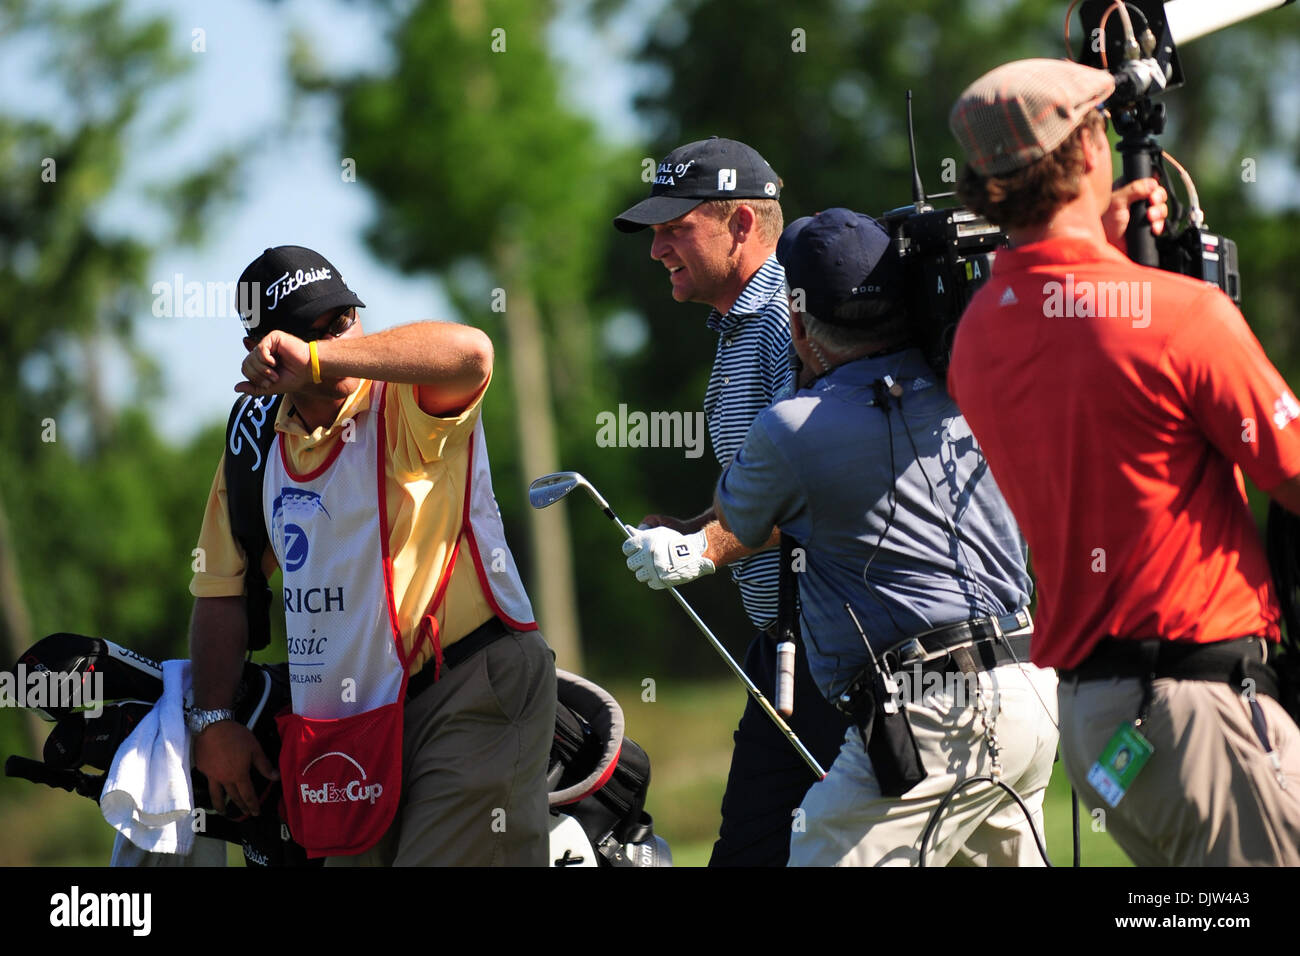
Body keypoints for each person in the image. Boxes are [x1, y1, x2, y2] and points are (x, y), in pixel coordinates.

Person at [947, 58, 1300, 865]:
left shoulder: (976, 333)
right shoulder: (1183, 315)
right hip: (1196, 712)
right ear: (1085, 153)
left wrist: (1105, 252)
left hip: (1099, 724)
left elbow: (1075, 341)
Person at [709, 207, 1058, 866]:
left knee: (813, 847)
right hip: (1031, 694)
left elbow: (740, 520)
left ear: (800, 325)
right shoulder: (975, 389)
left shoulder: (793, 427)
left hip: (934, 713)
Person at [188, 245, 556, 866]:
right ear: (262, 351)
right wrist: (214, 720)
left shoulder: (402, 398)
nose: (330, 342)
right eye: (307, 334)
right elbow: (222, 588)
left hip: (466, 688)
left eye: (341, 322)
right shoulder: (254, 443)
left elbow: (472, 353)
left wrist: (319, 355)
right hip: (348, 722)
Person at [613, 137, 851, 866]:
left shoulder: (786, 318)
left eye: (675, 229)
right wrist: (688, 526)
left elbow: (818, 491)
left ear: (742, 223)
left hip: (833, 645)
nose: (657, 250)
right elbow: (760, 482)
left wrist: (703, 549)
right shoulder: (738, 325)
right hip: (782, 644)